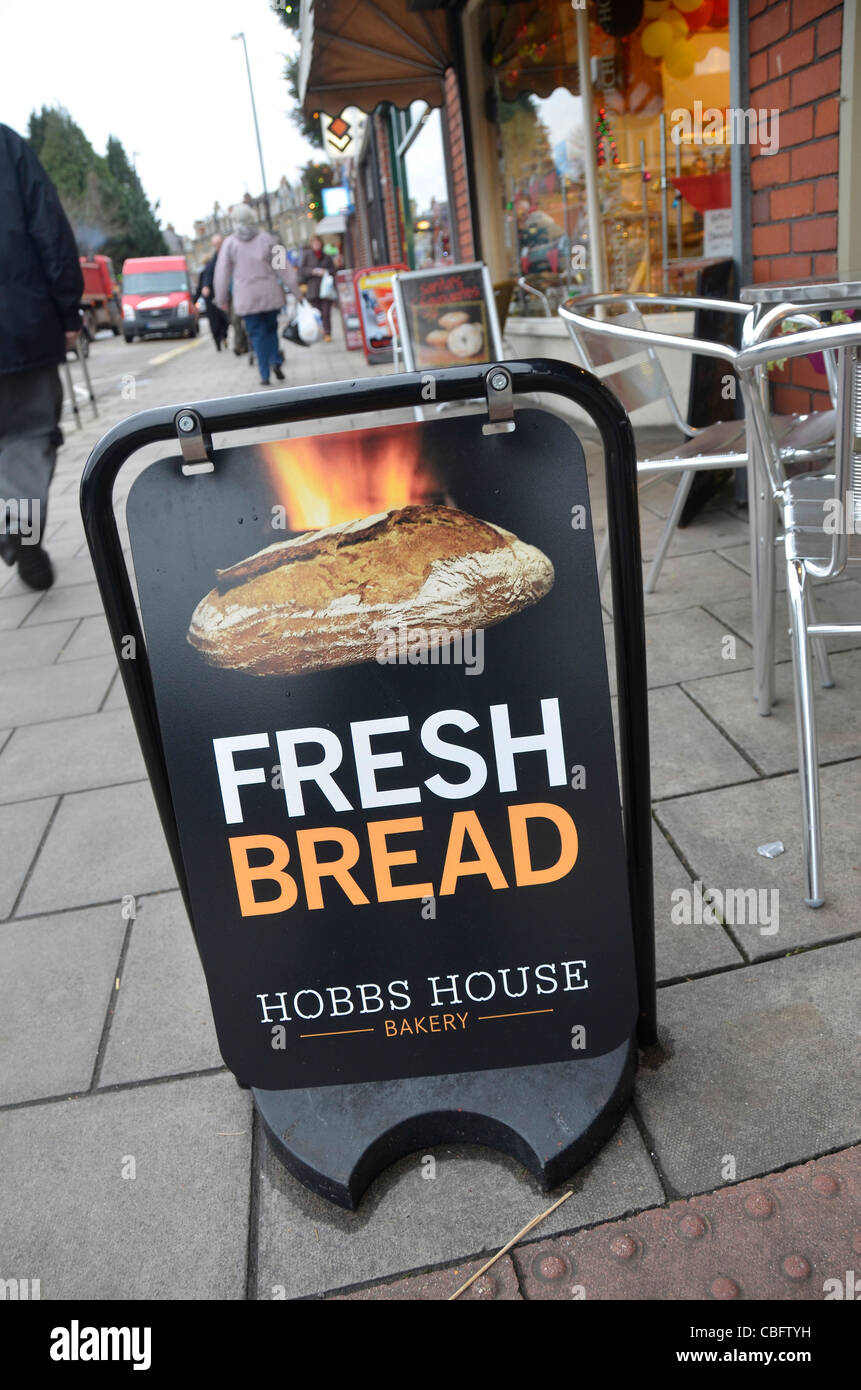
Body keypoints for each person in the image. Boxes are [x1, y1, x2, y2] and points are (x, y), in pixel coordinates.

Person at [0, 123, 83, 590]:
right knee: (28, 438)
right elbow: (48, 230)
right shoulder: (6, 145)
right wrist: (67, 308)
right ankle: (19, 529)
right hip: (18, 330)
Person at [214, 204, 297, 385]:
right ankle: (275, 360)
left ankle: (264, 374)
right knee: (271, 329)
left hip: (246, 297)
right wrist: (297, 291)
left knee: (256, 335)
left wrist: (220, 299)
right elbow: (284, 267)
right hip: (270, 293)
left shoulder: (229, 244)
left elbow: (221, 274)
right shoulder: (267, 239)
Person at [194, 234, 229, 351]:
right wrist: (195, 301)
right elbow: (201, 287)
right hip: (212, 299)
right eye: (216, 244)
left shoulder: (226, 256)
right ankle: (218, 342)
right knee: (215, 323)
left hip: (224, 296)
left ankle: (224, 337)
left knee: (225, 321)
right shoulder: (208, 270)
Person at [298, 234, 336, 341]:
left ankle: (327, 333)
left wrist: (326, 272)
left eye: (318, 242)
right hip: (312, 289)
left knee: (326, 313)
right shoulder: (307, 255)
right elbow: (301, 271)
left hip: (326, 290)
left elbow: (333, 270)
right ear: (311, 244)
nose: (316, 244)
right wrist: (312, 271)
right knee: (316, 313)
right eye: (314, 243)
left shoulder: (327, 256)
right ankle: (319, 332)